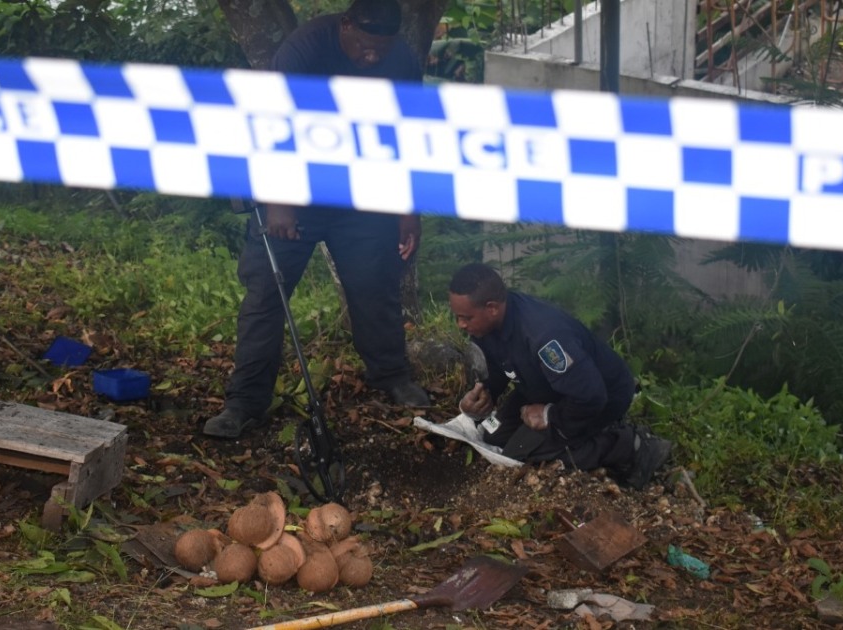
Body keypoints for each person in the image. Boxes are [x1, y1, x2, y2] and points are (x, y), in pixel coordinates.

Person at [204, 0, 431, 439]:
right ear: (346, 25)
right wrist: (280, 203)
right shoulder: (304, 49)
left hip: (360, 192)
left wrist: (408, 211)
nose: (372, 57)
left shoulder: (399, 58)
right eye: (366, 46)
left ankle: (391, 375)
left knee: (375, 284)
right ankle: (245, 401)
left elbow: (408, 135)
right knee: (266, 294)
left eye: (380, 49)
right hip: (295, 188)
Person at [448, 263, 671, 489]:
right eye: (457, 317)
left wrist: (548, 415)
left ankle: (630, 445)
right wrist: (487, 392)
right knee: (492, 434)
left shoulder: (543, 337)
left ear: (492, 307)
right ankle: (561, 434)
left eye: (466, 317)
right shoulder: (485, 325)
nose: (461, 324)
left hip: (596, 396)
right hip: (541, 386)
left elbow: (591, 396)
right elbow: (500, 363)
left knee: (523, 456)